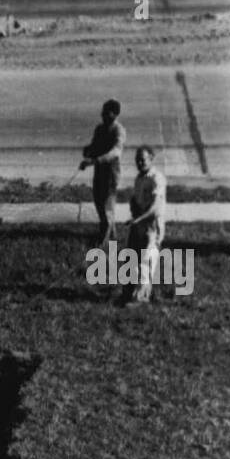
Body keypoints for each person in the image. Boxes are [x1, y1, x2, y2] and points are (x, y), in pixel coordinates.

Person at [123, 145, 167, 305]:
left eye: (143, 159)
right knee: (130, 257)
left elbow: (155, 207)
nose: (139, 163)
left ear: (151, 159)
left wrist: (138, 219)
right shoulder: (139, 178)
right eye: (137, 160)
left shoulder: (157, 179)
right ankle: (129, 293)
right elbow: (136, 200)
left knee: (145, 261)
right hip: (139, 223)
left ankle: (141, 297)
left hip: (152, 227)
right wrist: (133, 209)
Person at [80, 98, 126, 250]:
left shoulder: (119, 130)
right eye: (103, 112)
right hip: (99, 172)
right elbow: (95, 145)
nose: (103, 115)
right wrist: (88, 152)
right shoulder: (99, 129)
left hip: (111, 173)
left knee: (107, 205)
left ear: (115, 114)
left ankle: (104, 241)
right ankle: (111, 233)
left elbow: (115, 152)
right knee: (99, 202)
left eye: (107, 113)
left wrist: (95, 160)